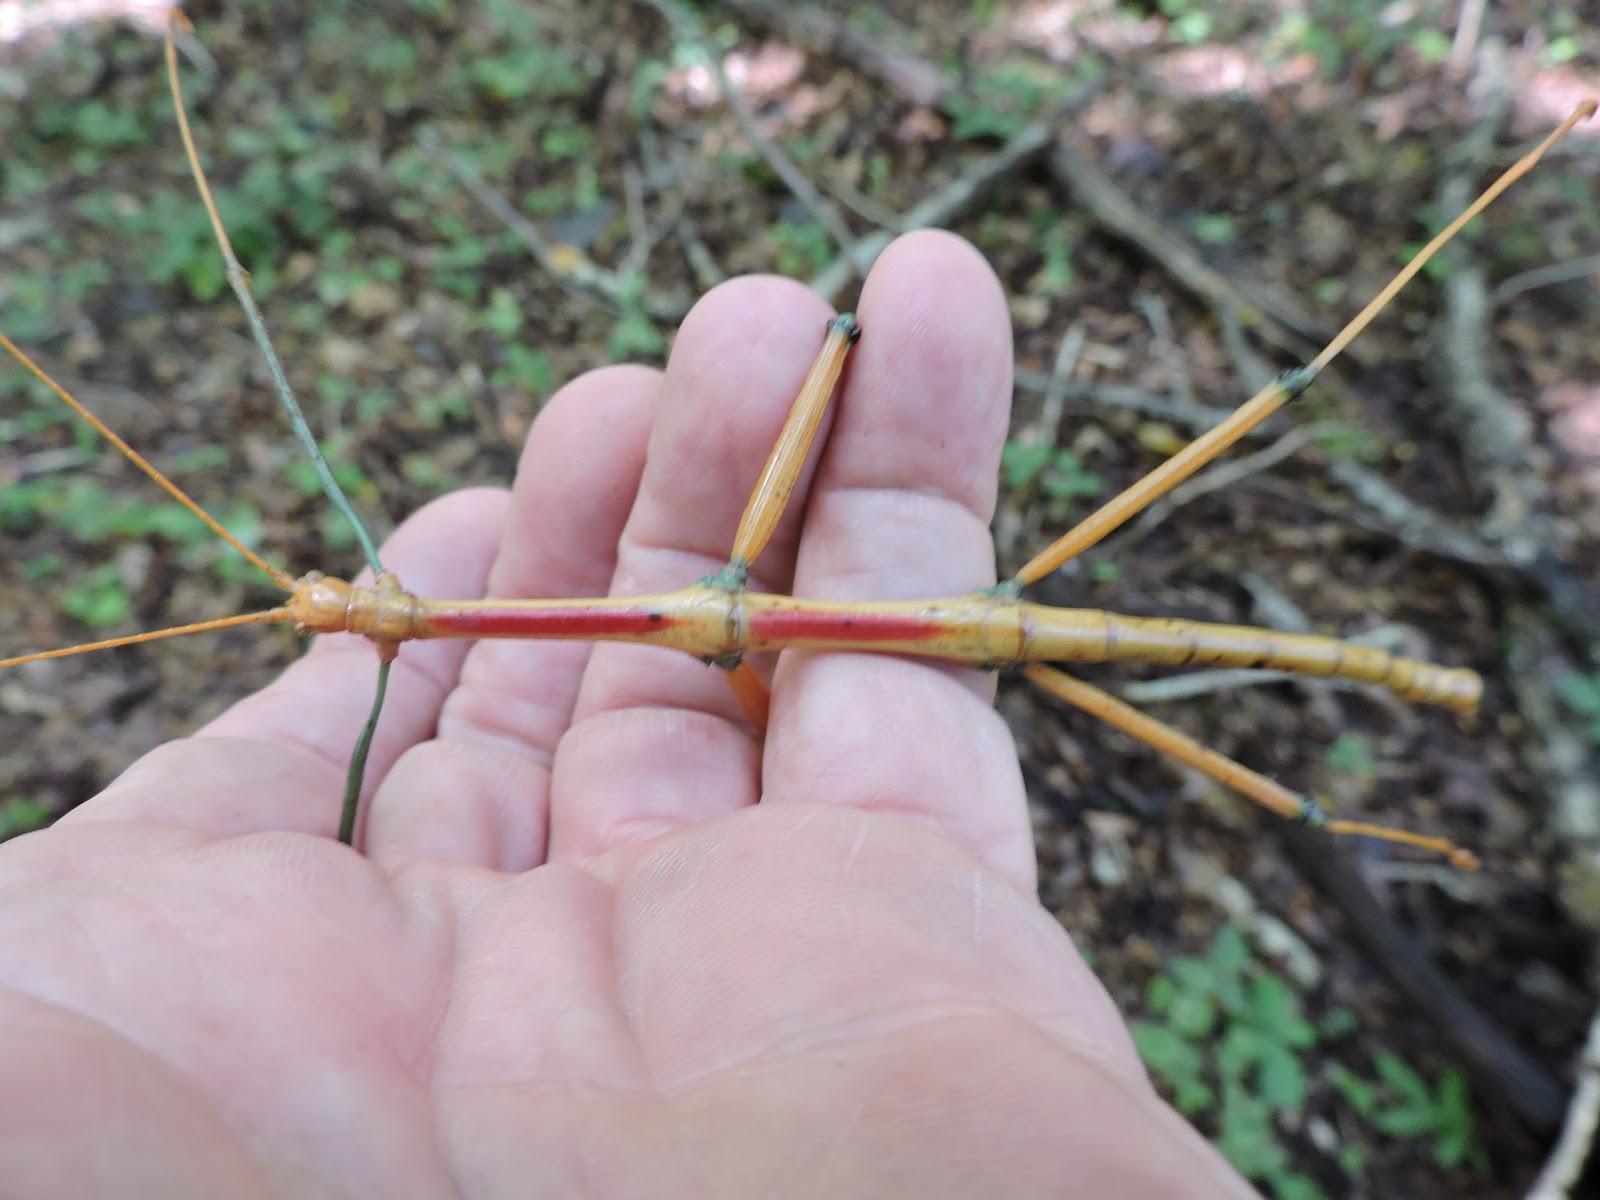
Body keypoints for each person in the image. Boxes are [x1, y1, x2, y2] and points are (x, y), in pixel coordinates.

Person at [0, 232, 1257, 1197]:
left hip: (964, 622)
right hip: (966, 623)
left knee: (1194, 430)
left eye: (358, 611)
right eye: (361, 615)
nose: (360, 612)